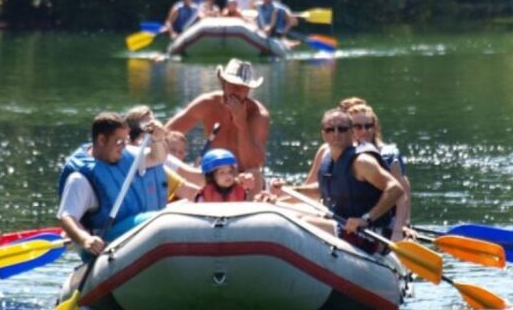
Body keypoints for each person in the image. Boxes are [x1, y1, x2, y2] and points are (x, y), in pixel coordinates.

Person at [273, 108, 404, 254]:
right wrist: (287, 192)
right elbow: (323, 189)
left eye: (342, 129)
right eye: (330, 129)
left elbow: (395, 189)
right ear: (323, 134)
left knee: (302, 222)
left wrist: (366, 219)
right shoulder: (328, 158)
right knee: (292, 215)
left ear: (351, 132)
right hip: (341, 226)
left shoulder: (362, 162)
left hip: (368, 233)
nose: (336, 134)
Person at [57, 111, 168, 261]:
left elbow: (157, 157)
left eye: (125, 140)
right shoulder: (79, 179)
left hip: (131, 235)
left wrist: (157, 139)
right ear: (102, 140)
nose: (123, 147)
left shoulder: (126, 155)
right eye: (119, 142)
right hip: (103, 245)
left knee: (157, 220)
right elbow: (67, 217)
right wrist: (85, 239)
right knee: (156, 221)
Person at [166, 58, 269, 193]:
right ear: (223, 83)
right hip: (209, 175)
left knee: (254, 174)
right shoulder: (207, 104)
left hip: (244, 179)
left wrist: (242, 124)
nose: (237, 91)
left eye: (242, 87)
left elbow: (253, 164)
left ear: (249, 89)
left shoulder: (258, 115)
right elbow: (165, 134)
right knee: (165, 160)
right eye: (232, 84)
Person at [347, 103, 412, 240]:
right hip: (348, 221)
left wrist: (399, 228)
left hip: (381, 224)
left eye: (368, 126)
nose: (364, 131)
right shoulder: (341, 155)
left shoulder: (388, 157)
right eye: (358, 127)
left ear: (374, 127)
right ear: (350, 129)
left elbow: (401, 194)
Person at [125, 105, 201, 201]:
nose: (154, 129)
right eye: (148, 127)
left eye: (155, 127)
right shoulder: (131, 156)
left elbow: (193, 188)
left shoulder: (160, 159)